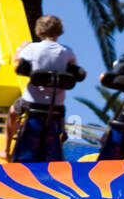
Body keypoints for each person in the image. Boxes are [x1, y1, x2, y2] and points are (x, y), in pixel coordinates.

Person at [4, 14, 79, 149]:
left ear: (39, 30)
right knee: (60, 122)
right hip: (56, 104)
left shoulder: (32, 48)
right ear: (59, 30)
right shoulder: (67, 52)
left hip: (32, 102)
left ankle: (5, 149)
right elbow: (74, 70)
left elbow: (17, 63)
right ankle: (60, 143)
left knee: (12, 112)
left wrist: (21, 48)